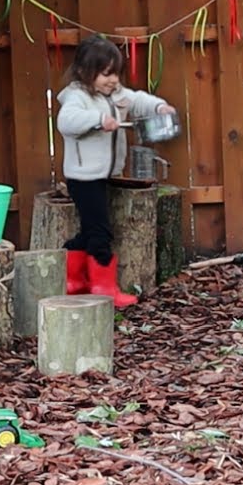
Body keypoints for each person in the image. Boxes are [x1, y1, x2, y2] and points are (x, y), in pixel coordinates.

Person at [55, 34, 177, 308]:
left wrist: (158, 106)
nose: (112, 80)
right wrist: (99, 120)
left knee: (89, 230)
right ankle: (103, 289)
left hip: (102, 175)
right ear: (86, 72)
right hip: (82, 177)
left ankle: (73, 279)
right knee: (101, 232)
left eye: (115, 74)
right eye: (105, 74)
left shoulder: (115, 93)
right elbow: (67, 122)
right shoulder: (78, 97)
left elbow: (136, 100)